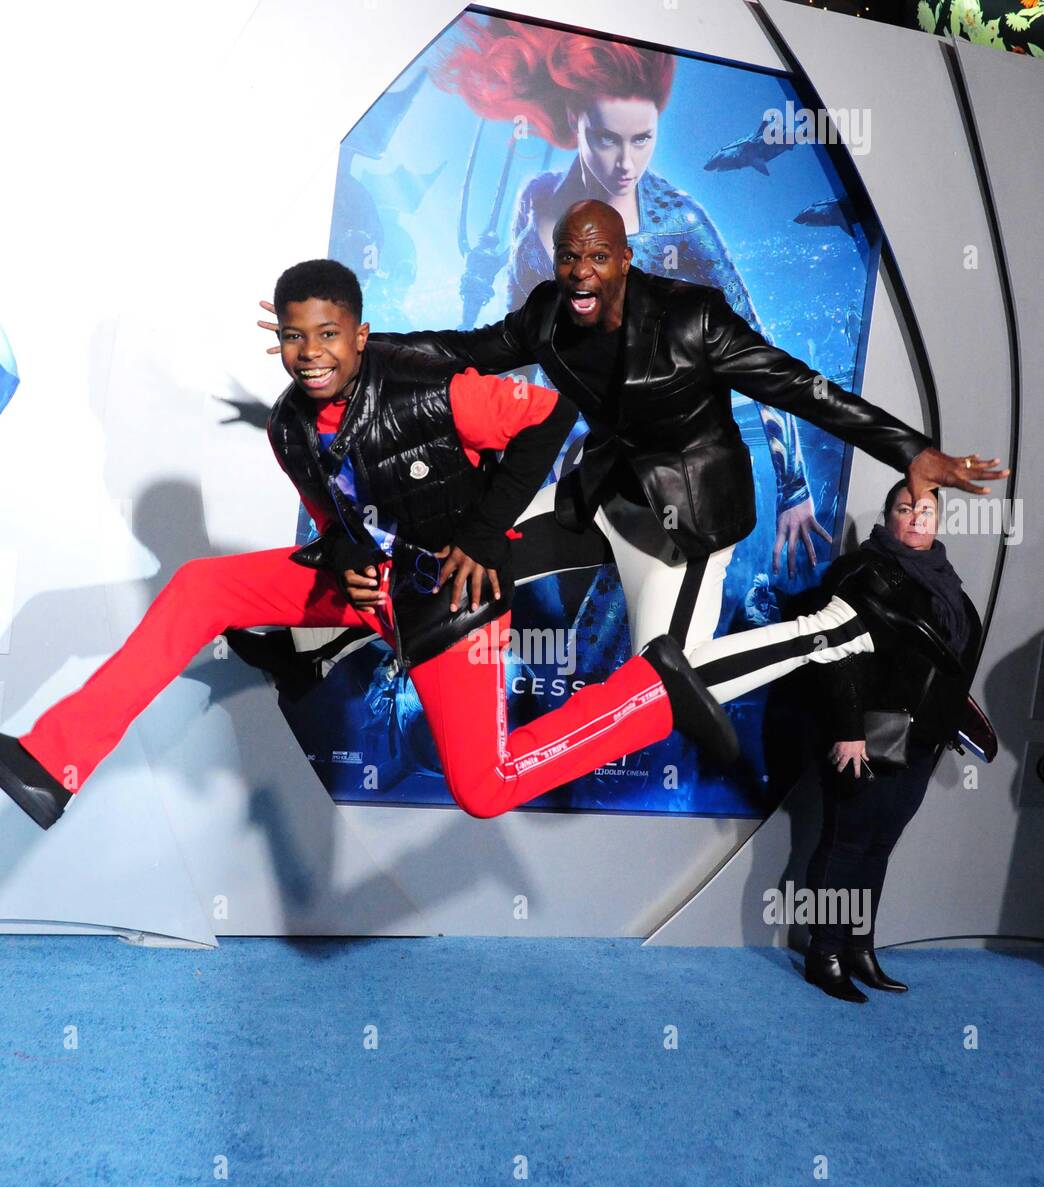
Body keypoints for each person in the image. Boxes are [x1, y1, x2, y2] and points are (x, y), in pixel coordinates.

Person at [0, 259, 747, 831]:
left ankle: (654, 696)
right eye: (295, 336)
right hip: (376, 588)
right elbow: (337, 521)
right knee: (202, 586)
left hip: (449, 594)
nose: (310, 353)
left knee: (484, 790)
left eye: (328, 335)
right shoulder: (289, 427)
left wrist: (482, 538)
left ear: (361, 335)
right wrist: (351, 561)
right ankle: (52, 762)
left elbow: (549, 418)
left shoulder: (431, 388)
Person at [275, 200, 1002, 706]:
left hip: (687, 522)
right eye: (568, 257)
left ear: (625, 258)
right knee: (466, 553)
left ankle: (835, 632)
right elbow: (465, 351)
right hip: (606, 498)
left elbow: (799, 388)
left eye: (596, 256)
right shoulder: (549, 314)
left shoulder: (695, 320)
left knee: (664, 678)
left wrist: (911, 448)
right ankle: (316, 653)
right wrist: (352, 347)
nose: (580, 272)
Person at [433, 14, 818, 574]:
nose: (626, 163)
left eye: (642, 139)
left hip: (651, 483)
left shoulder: (681, 223)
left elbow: (760, 358)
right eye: (607, 138)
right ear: (575, 121)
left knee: (611, 635)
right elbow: (513, 345)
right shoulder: (537, 197)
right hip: (552, 461)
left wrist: (794, 488)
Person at [800, 481, 990, 1003]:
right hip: (863, 736)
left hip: (920, 743)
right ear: (889, 516)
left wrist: (946, 723)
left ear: (938, 520)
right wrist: (848, 730)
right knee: (846, 844)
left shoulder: (950, 587)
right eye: (905, 508)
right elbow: (834, 654)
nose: (916, 517)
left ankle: (860, 947)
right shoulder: (860, 573)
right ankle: (826, 952)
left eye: (925, 510)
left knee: (879, 847)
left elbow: (948, 669)